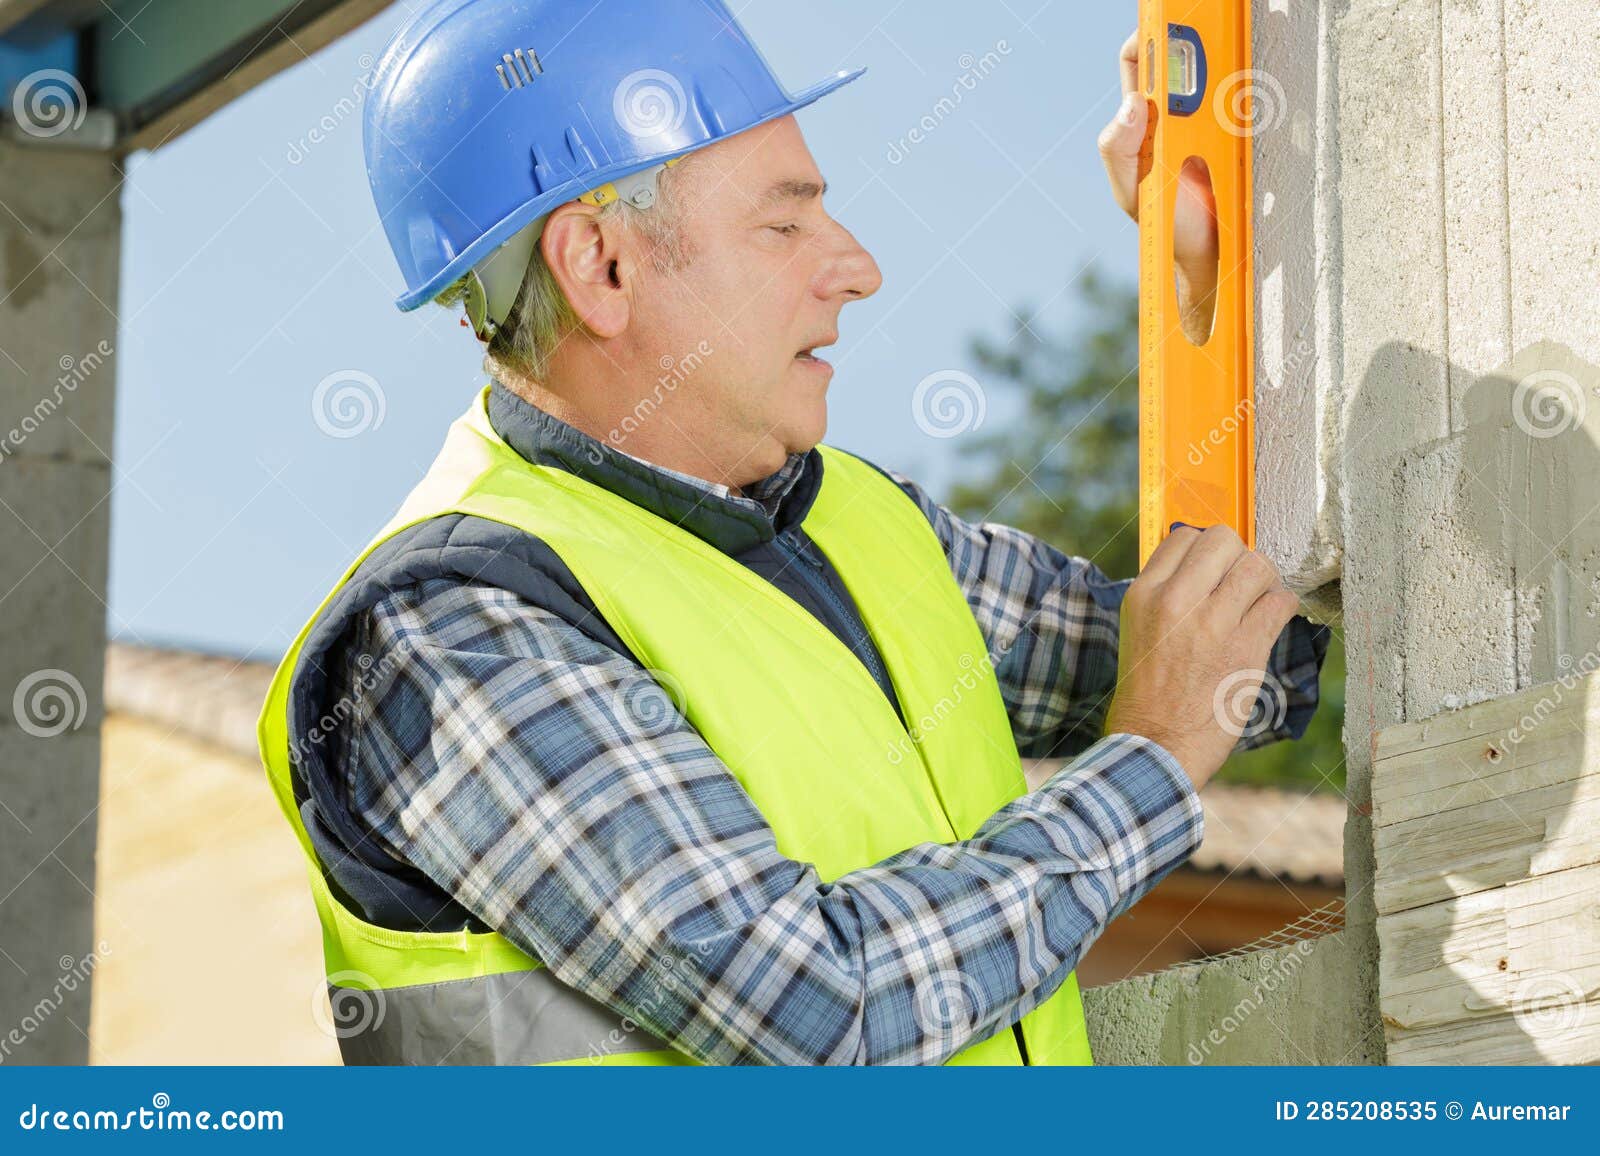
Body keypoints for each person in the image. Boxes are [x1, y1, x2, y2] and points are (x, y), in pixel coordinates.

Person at [258, 0, 1326, 1066]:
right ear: (601, 266)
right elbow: (820, 1005)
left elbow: (1237, 647)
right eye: (783, 224)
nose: (857, 266)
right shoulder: (449, 635)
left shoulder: (851, 523)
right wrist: (1149, 765)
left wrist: (1201, 293)